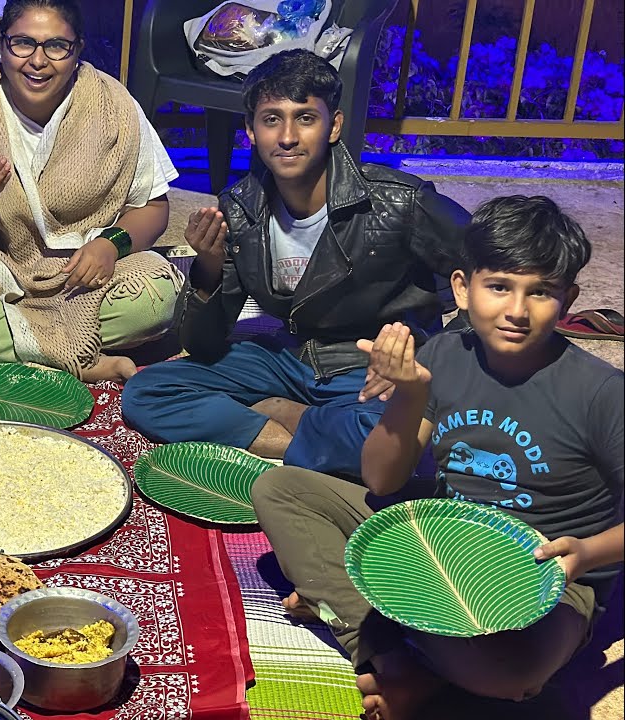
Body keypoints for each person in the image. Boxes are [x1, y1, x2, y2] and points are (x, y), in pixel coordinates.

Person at [251, 195, 623, 719]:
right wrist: (409, 396)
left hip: (544, 579)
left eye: (540, 292)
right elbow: (382, 480)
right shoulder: (446, 355)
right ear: (462, 289)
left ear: (569, 299)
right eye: (499, 286)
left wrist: (587, 553)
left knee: (509, 670)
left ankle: (375, 635)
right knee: (280, 489)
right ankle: (396, 651)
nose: (517, 311)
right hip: (438, 540)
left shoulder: (603, 392)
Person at [121, 49, 471, 477]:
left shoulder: (399, 201)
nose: (287, 136)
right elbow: (204, 345)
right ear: (250, 130)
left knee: (410, 446)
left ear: (333, 126)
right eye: (271, 119)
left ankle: (289, 417)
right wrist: (209, 270)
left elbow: (496, 272)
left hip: (369, 367)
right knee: (148, 391)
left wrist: (428, 361)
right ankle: (298, 439)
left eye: (305, 118)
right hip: (290, 358)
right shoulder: (241, 208)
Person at [0, 0, 183, 383]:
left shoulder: (115, 106)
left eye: (57, 46)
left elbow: (153, 208)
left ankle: (5, 341)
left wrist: (112, 244)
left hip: (87, 274)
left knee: (156, 301)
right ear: (0, 44)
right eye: (23, 43)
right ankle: (72, 357)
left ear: (77, 50)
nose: (38, 61)